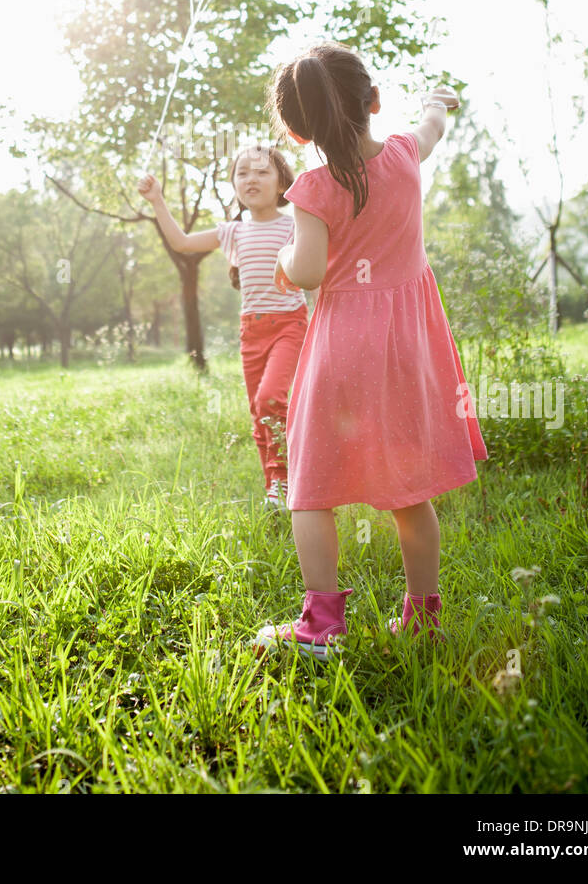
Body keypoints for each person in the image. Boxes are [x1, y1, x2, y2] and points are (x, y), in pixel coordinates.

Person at [251, 41, 488, 659]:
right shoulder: (406, 154)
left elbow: (306, 271)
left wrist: (282, 258)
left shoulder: (312, 188)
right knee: (410, 489)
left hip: (342, 348)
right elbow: (431, 127)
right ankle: (423, 617)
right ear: (374, 101)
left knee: (310, 485)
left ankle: (321, 626)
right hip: (408, 345)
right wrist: (436, 102)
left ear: (297, 133)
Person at [137, 144, 316, 509]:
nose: (251, 179)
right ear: (234, 184)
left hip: (290, 326)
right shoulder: (233, 232)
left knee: (271, 399)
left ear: (282, 183)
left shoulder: (295, 226)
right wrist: (157, 200)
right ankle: (275, 487)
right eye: (242, 173)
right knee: (258, 411)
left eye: (262, 172)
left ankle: (286, 477)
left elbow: (317, 271)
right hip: (251, 330)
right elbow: (181, 242)